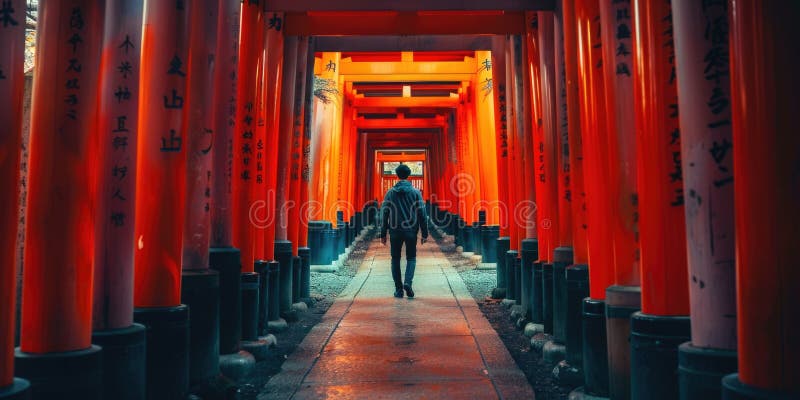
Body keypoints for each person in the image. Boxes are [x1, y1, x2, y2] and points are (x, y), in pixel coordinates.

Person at [379, 164, 429, 298]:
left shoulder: (390, 193)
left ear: (397, 175)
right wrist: (425, 233)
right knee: (411, 258)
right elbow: (422, 213)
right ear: (409, 175)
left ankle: (399, 289)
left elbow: (384, 213)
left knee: (395, 259)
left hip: (395, 230)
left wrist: (383, 233)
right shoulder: (416, 193)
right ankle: (408, 282)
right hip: (411, 231)